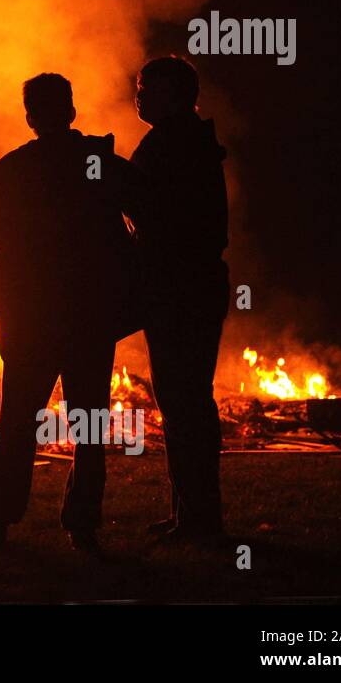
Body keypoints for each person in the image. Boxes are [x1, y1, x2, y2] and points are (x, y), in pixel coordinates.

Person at [0, 73, 134, 554]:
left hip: (37, 317)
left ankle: (2, 520)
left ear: (30, 117)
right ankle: (82, 525)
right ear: (69, 112)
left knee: (19, 419)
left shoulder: (14, 171)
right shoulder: (93, 164)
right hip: (83, 316)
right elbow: (144, 220)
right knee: (87, 422)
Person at [129, 56, 229, 543]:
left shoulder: (176, 143)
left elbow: (160, 215)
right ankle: (192, 514)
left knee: (185, 400)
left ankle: (199, 518)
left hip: (181, 290)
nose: (139, 93)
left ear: (172, 93)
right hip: (186, 286)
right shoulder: (184, 140)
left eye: (147, 86)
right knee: (186, 401)